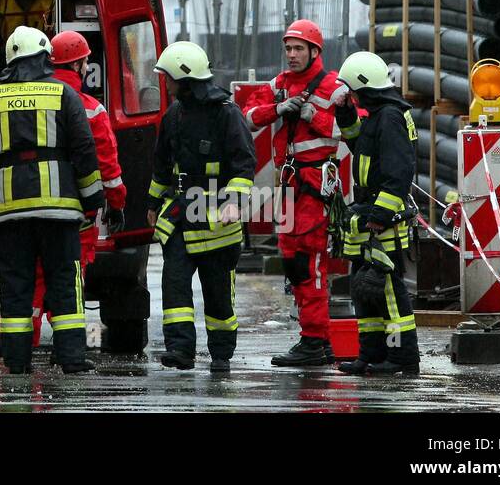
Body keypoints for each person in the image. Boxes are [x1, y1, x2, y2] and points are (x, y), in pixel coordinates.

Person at [0, 25, 104, 375]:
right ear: (46, 56)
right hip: (59, 210)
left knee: (15, 286)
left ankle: (16, 361)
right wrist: (92, 200)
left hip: (8, 214)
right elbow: (84, 149)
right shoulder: (63, 94)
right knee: (64, 283)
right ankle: (71, 358)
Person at [243, 19, 347, 367]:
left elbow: (350, 130)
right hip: (289, 187)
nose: (291, 55)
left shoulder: (334, 88)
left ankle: (314, 341)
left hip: (313, 188)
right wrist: (277, 109)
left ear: (314, 51)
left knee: (310, 263)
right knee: (293, 261)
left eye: (298, 48)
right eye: (288, 48)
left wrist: (311, 115)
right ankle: (320, 339)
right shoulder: (280, 85)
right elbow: (248, 116)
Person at [147, 41, 255, 373]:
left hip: (218, 223)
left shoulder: (226, 113)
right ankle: (180, 350)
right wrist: (153, 203)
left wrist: (234, 202)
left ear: (184, 77)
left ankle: (221, 353)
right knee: (175, 284)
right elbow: (162, 165)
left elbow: (244, 164)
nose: (165, 83)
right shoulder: (174, 115)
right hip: (181, 218)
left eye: (168, 78)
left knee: (218, 293)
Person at [30, 32, 127, 356]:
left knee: (32, 280)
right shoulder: (89, 108)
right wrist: (116, 205)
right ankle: (68, 350)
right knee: (70, 277)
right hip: (75, 211)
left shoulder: (30, 100)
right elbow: (108, 165)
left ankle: (21, 348)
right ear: (80, 63)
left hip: (26, 205)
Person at [332, 51, 420, 376]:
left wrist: (380, 216)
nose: (351, 94)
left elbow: (398, 174)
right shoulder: (378, 115)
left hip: (380, 221)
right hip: (368, 216)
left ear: (365, 87)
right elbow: (362, 147)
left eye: (353, 90)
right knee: (364, 290)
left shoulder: (391, 117)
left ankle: (401, 358)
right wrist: (346, 115)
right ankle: (370, 355)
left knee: (388, 293)